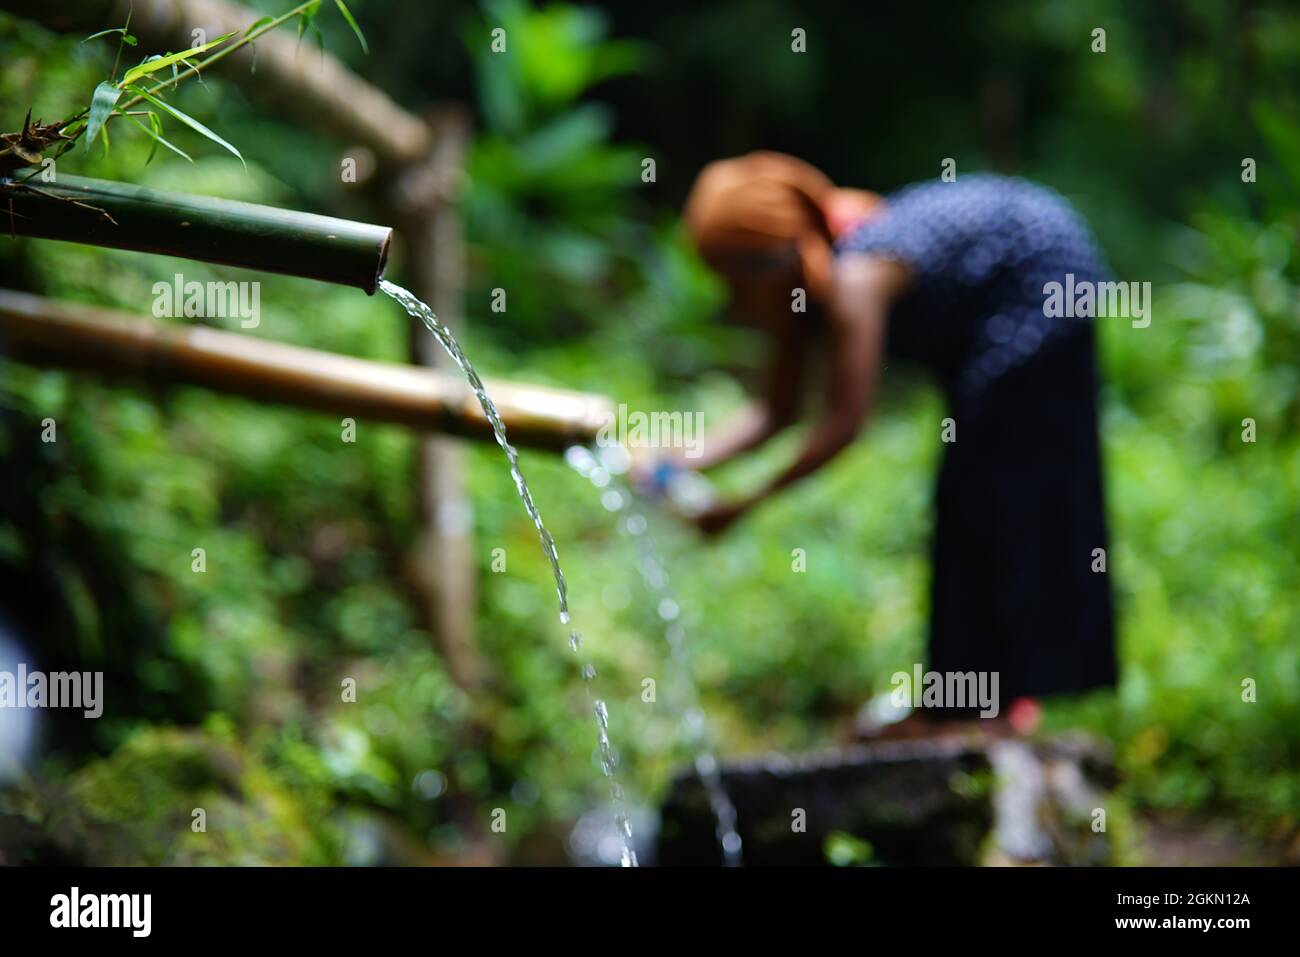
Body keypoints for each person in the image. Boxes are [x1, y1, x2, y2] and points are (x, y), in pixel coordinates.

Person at [661, 151, 1117, 737]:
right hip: (1014, 282)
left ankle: (981, 709)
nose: (730, 300)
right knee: (976, 490)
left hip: (1046, 276)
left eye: (732, 280)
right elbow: (773, 414)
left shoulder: (856, 277)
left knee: (990, 489)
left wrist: (745, 503)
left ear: (768, 264)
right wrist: (680, 460)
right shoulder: (801, 287)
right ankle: (970, 702)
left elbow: (845, 422)